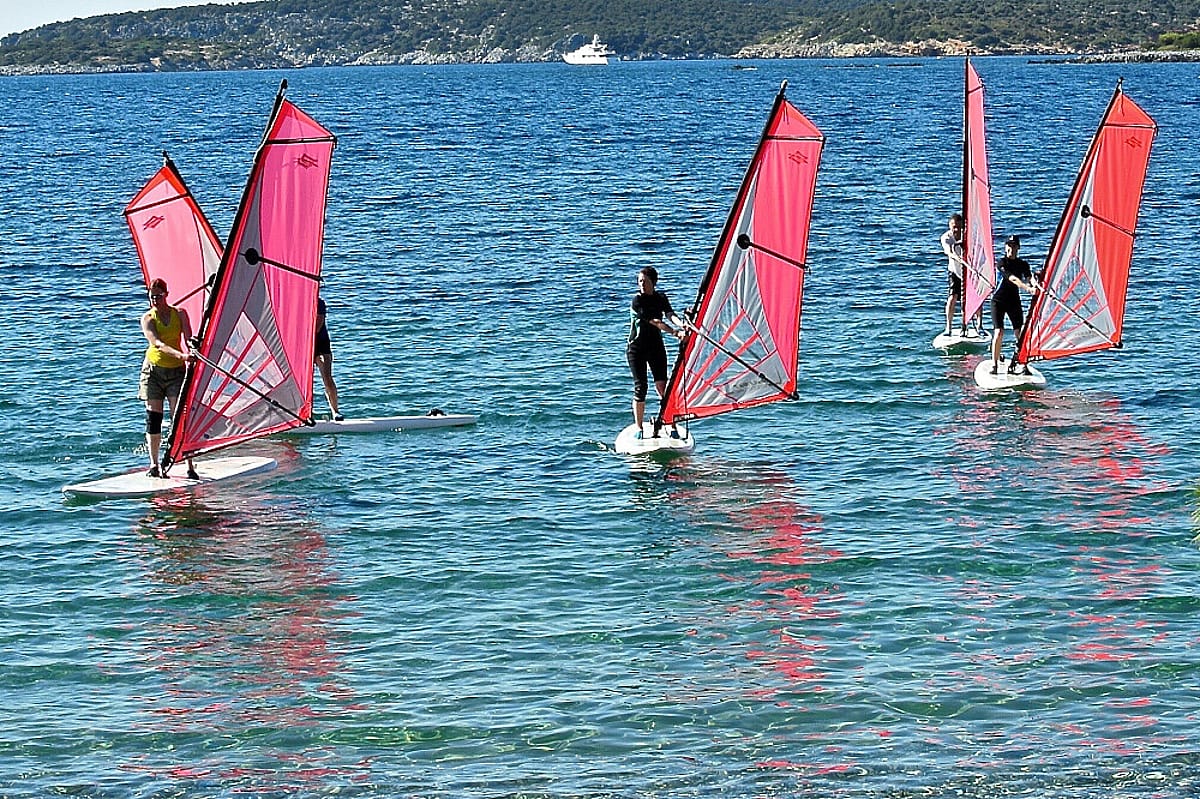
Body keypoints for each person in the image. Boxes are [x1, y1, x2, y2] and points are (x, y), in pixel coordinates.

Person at [139, 278, 198, 479]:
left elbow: (188, 336)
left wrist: (192, 349)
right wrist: (181, 355)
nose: (155, 300)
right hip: (153, 371)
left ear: (166, 295)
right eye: (152, 297)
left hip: (176, 373)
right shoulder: (148, 319)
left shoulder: (179, 314)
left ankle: (189, 466)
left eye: (159, 296)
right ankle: (154, 465)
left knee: (179, 418)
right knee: (153, 418)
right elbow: (157, 343)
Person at [626, 266, 684, 438]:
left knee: (662, 387)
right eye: (640, 282)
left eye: (645, 281)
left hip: (656, 347)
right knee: (641, 387)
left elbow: (669, 314)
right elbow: (656, 322)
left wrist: (681, 325)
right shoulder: (637, 301)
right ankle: (639, 428)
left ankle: (671, 424)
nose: (642, 285)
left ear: (654, 282)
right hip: (636, 350)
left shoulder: (661, 297)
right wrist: (675, 333)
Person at [989, 235, 1040, 375]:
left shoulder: (1023, 264)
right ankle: (994, 365)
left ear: (1018, 248)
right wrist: (1028, 289)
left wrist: (1036, 286)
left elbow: (1030, 278)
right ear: (1005, 247)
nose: (1011, 249)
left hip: (1013, 301)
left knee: (1020, 334)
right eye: (1009, 246)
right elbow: (1013, 279)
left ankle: (1024, 364)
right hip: (998, 301)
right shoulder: (1001, 263)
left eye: (1014, 246)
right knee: (999, 332)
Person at [314, 295, 343, 421]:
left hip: (321, 344)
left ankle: (335, 411)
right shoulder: (297, 302)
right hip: (303, 343)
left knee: (327, 377)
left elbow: (318, 326)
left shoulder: (319, 303)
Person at [940, 213, 965, 336]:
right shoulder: (946, 237)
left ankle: (978, 325)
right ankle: (948, 327)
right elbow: (949, 252)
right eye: (954, 227)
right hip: (954, 271)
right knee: (953, 296)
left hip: (968, 271)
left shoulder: (968, 236)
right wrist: (959, 258)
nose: (957, 230)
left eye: (959, 227)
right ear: (950, 226)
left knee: (972, 298)